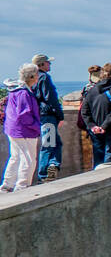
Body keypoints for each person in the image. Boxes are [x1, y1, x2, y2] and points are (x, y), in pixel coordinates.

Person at [1, 64, 43, 192]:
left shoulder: (15, 90)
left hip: (12, 129)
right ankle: (22, 186)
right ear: (32, 77)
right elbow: (24, 115)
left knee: (15, 157)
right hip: (24, 131)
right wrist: (36, 127)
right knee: (28, 159)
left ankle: (8, 184)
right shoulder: (24, 93)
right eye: (36, 75)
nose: (38, 78)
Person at [79, 63, 111, 168]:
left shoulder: (92, 90)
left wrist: (93, 126)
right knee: (110, 159)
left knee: (98, 159)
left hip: (96, 131)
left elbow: (85, 111)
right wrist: (104, 126)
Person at [31, 53, 63, 182]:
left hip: (41, 115)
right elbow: (50, 98)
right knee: (49, 144)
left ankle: (53, 165)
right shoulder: (43, 77)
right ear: (42, 64)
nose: (50, 65)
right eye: (48, 62)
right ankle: (44, 174)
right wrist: (59, 115)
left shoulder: (34, 78)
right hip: (47, 115)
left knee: (56, 143)